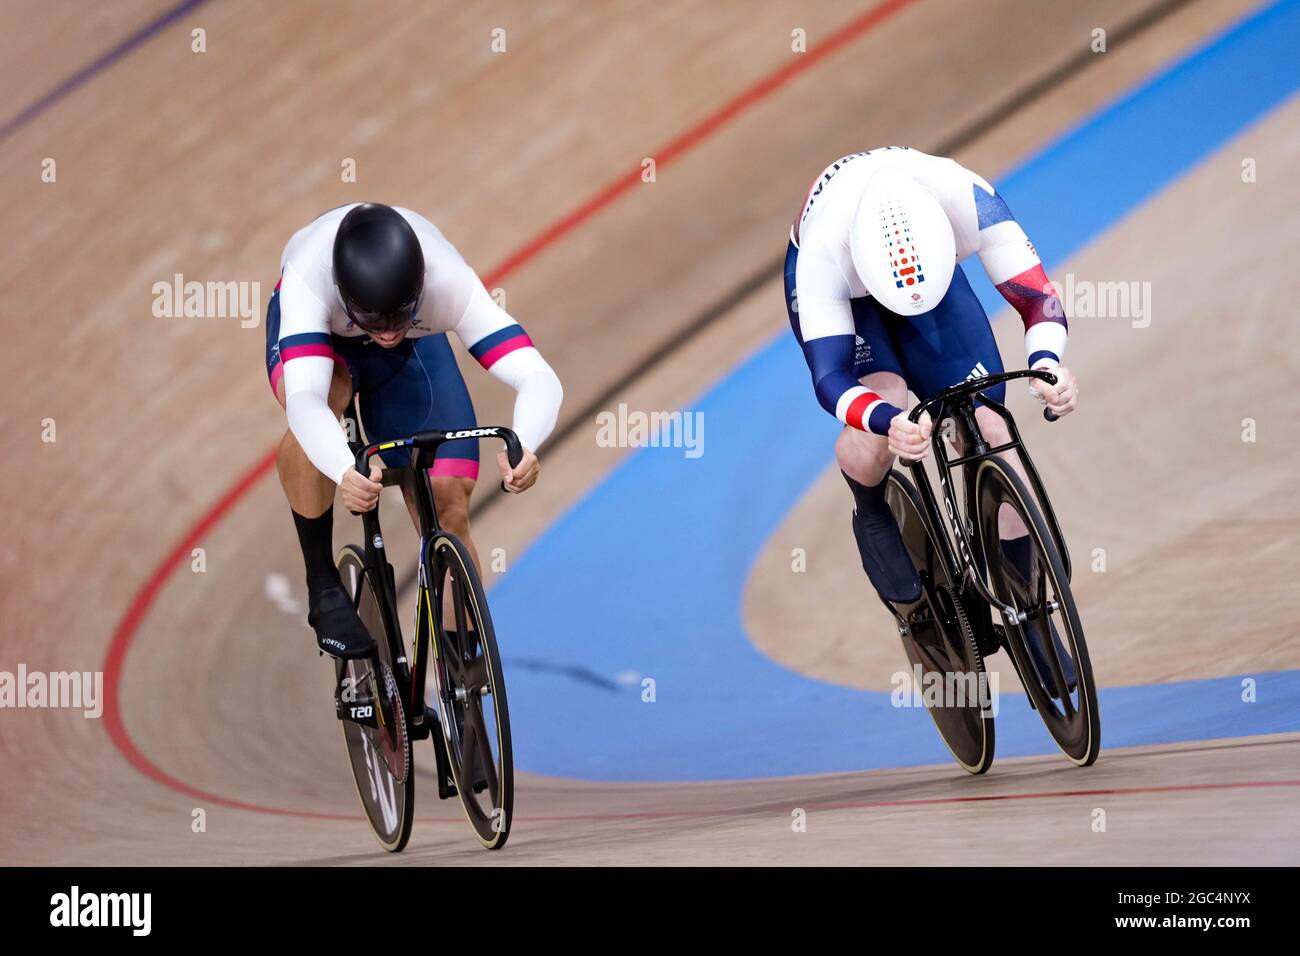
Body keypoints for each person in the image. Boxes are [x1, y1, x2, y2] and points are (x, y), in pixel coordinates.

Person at [783, 147, 1076, 692]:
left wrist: (1047, 363)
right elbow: (830, 380)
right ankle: (871, 507)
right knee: (885, 407)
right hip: (852, 299)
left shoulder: (967, 201)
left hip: (930, 281)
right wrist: (883, 419)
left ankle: (1029, 602)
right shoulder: (822, 255)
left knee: (990, 425)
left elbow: (1041, 303)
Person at [267, 203, 563, 659]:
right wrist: (345, 469)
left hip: (415, 347)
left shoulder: (448, 281)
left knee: (448, 497)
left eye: (397, 316)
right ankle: (323, 585)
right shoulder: (309, 279)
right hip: (328, 345)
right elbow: (305, 401)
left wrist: (525, 442)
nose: (385, 334)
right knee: (325, 403)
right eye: (373, 320)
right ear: (346, 297)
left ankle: (464, 676)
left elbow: (536, 375)